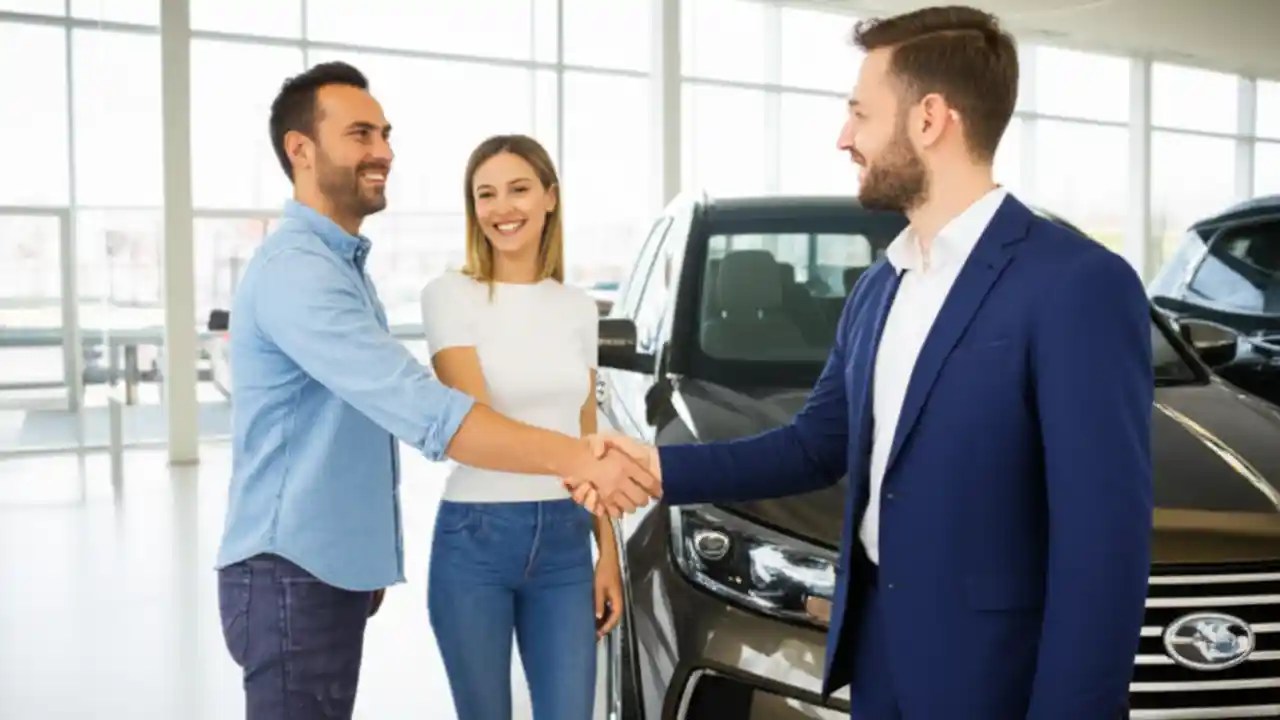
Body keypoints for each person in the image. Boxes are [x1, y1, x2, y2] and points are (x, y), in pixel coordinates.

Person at [571, 7, 1153, 719]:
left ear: (930, 117)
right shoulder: (882, 284)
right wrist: (654, 468)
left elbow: (1103, 552)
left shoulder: (1075, 284)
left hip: (995, 681)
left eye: (860, 114)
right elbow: (813, 445)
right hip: (880, 661)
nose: (845, 137)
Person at [214, 62, 656, 720]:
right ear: (300, 150)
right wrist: (579, 459)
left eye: (385, 134)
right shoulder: (300, 273)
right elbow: (425, 409)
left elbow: (353, 423)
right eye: (361, 134)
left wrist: (361, 563)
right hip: (293, 572)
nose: (385, 151)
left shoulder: (341, 269)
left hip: (327, 568)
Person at [418, 134, 621, 720]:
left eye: (518, 189)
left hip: (565, 544)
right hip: (476, 539)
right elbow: (477, 429)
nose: (501, 208)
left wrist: (606, 552)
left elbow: (590, 434)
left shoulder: (579, 308)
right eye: (486, 194)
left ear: (550, 197)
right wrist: (579, 463)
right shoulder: (450, 296)